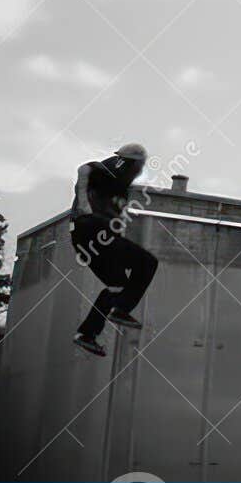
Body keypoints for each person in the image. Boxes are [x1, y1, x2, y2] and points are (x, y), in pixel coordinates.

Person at [70, 143, 159, 357]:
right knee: (147, 262)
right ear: (131, 163)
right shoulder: (112, 169)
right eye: (138, 168)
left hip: (86, 240)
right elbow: (85, 169)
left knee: (117, 286)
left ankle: (87, 334)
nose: (138, 173)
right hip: (91, 228)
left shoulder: (123, 189)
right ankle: (120, 310)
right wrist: (84, 204)